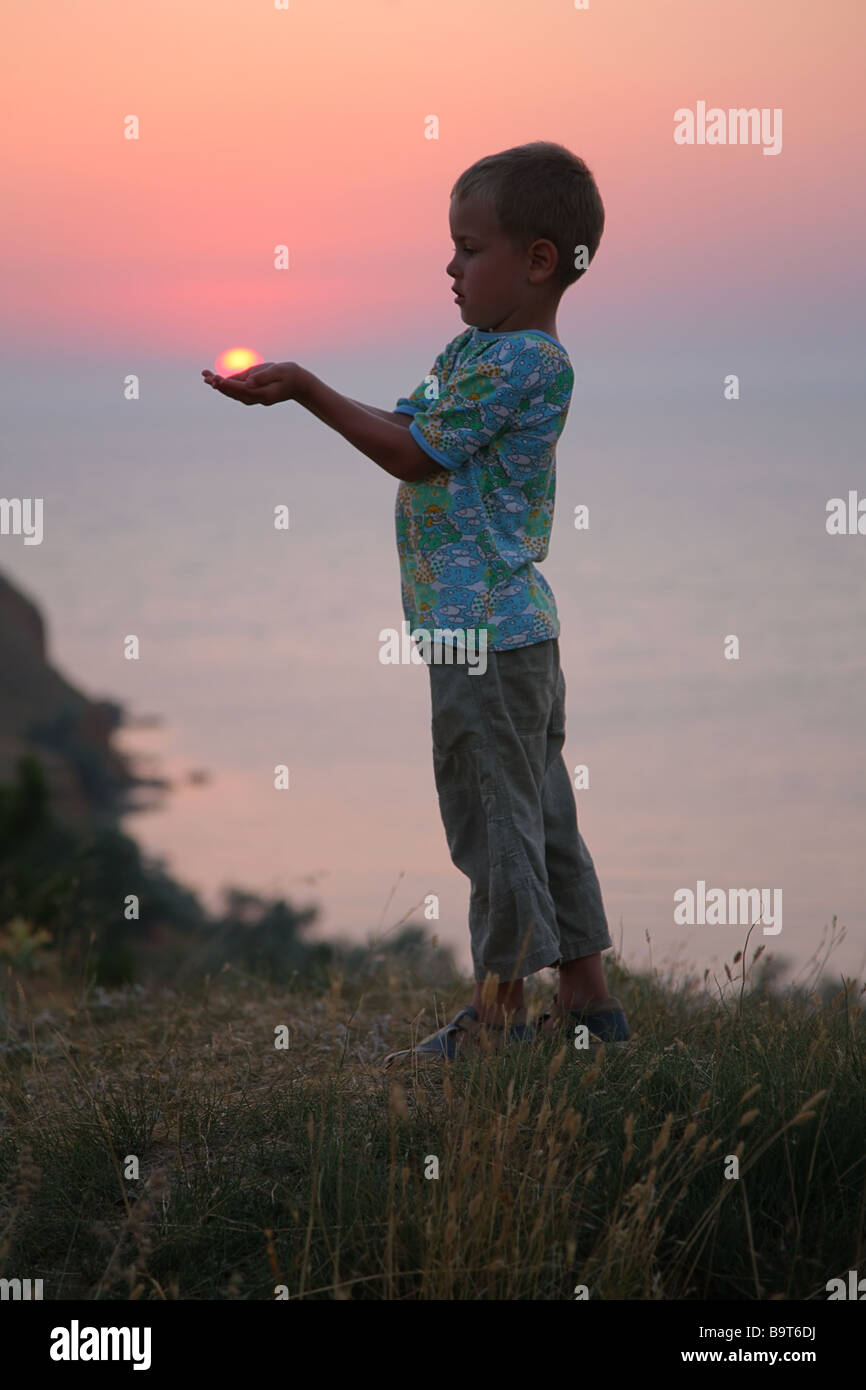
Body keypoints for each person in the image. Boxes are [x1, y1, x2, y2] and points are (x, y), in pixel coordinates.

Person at [202, 140, 631, 1065]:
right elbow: (409, 423)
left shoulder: (526, 363)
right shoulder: (475, 351)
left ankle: (500, 1019)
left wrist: (306, 389)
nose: (450, 266)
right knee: (540, 811)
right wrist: (302, 389)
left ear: (539, 261)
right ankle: (590, 1007)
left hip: (485, 639)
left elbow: (413, 454)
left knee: (495, 820)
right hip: (510, 635)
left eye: (469, 248)